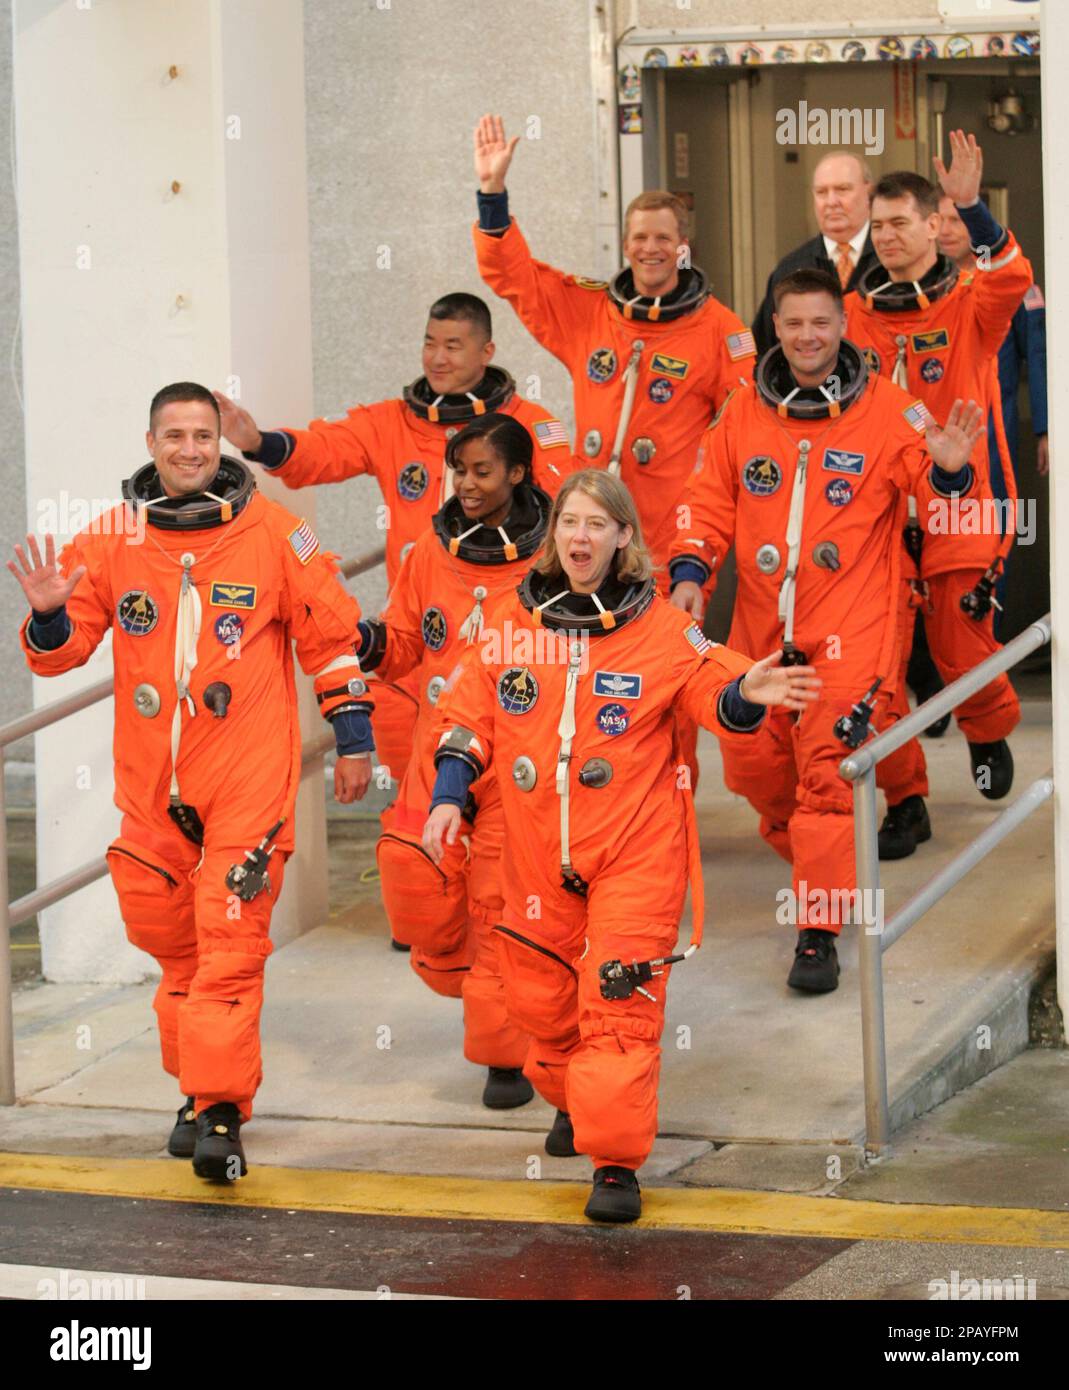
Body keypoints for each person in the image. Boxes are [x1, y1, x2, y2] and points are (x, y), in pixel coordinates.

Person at [423, 470, 820, 1223]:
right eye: (569, 522)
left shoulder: (667, 629)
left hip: (634, 852)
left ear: (623, 539)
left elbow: (713, 687)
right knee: (541, 1005)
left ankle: (614, 1165)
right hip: (538, 852)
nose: (579, 537)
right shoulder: (512, 622)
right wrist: (448, 795)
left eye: (596, 525)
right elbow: (467, 716)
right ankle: (579, 1097)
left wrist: (746, 695)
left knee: (617, 1004)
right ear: (554, 535)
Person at [9, 383, 373, 1182]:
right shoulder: (111, 539)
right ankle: (199, 1092)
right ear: (151, 442)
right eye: (174, 435)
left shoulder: (277, 534)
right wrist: (43, 616)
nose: (189, 449)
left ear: (220, 444)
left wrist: (353, 742)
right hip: (150, 795)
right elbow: (61, 652)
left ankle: (217, 1114)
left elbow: (333, 644)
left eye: (202, 435)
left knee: (230, 950)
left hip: (246, 785)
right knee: (177, 956)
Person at [670, 270, 983, 990]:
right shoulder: (743, 409)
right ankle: (831, 862)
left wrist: (949, 476)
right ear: (773, 328)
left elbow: (929, 491)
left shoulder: (888, 410)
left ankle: (817, 931)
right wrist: (690, 576)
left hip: (852, 628)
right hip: (759, 630)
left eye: (820, 323)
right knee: (750, 767)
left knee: (827, 782)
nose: (806, 337)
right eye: (792, 324)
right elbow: (704, 500)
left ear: (842, 327)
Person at [214, 292, 572, 794]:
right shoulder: (393, 423)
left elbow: (572, 512)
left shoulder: (529, 426)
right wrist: (256, 442)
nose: (437, 357)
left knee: (500, 801)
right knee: (415, 807)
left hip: (507, 644)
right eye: (430, 343)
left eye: (453, 345)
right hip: (413, 645)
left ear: (486, 351)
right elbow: (323, 450)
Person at [471, 113, 757, 580]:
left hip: (663, 538)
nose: (651, 248)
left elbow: (746, 434)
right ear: (625, 244)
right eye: (640, 237)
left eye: (664, 238)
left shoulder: (719, 330)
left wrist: (701, 548)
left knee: (660, 652)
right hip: (588, 533)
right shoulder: (591, 312)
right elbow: (514, 277)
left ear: (683, 247)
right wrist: (492, 194)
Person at [361, 415, 551, 1109]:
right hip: (432, 761)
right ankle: (495, 1009)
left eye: (482, 472)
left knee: (501, 913)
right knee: (427, 912)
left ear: (518, 475)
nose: (467, 485)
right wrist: (364, 640)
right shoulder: (426, 553)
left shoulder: (552, 563)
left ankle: (507, 1059)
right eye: (459, 472)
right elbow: (407, 645)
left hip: (511, 774)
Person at [845, 132, 1033, 819]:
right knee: (878, 663)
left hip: (961, 502)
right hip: (880, 511)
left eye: (900, 222)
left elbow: (1011, 277)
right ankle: (905, 797)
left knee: (960, 638)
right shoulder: (854, 316)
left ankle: (985, 732)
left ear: (932, 225)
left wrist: (973, 208)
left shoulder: (968, 305)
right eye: (878, 225)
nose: (887, 236)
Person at [938, 196, 1048, 634]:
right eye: (939, 220)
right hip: (935, 437)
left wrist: (1045, 429)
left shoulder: (1009, 281)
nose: (946, 229)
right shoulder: (927, 284)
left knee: (994, 535)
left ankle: (985, 639)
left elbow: (1039, 355)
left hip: (993, 432)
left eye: (956, 220)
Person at [752, 151, 880, 356]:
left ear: (869, 194)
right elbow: (764, 349)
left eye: (842, 189)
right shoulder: (790, 268)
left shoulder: (891, 260)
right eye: (821, 192)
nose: (831, 201)